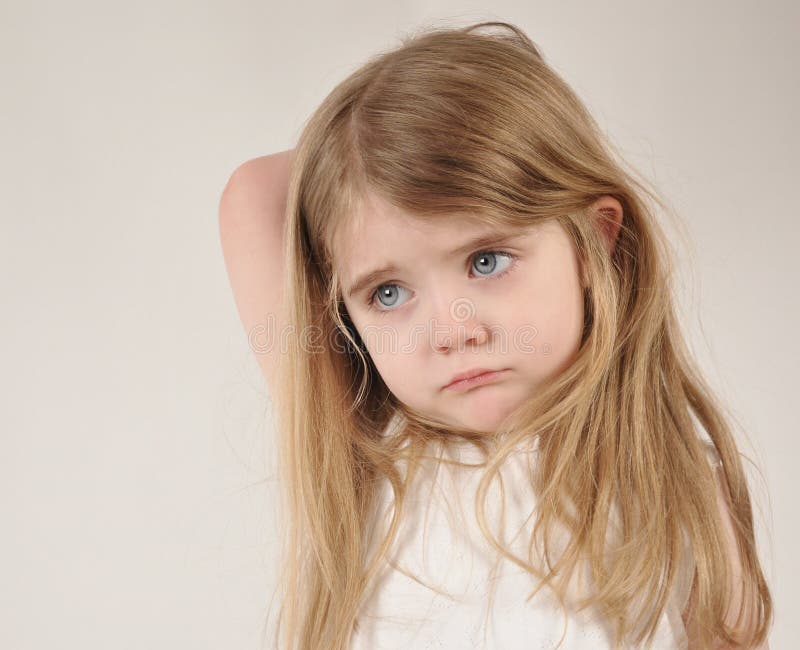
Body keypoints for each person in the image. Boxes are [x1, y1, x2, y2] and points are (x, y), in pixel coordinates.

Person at [218, 21, 773, 650]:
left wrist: (496, 120)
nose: (452, 333)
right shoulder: (360, 455)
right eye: (389, 293)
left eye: (487, 261)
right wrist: (366, 140)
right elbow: (253, 194)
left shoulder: (668, 470)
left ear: (594, 244)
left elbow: (733, 635)